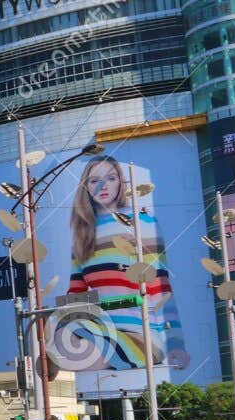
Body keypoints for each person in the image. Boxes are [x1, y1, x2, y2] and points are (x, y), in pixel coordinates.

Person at [64, 155, 188, 372]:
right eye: (94, 181)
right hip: (100, 330)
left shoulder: (143, 223)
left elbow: (161, 287)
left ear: (120, 182)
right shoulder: (82, 234)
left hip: (141, 334)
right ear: (86, 188)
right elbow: (75, 296)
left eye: (110, 178)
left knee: (84, 357)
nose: (103, 186)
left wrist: (176, 343)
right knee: (62, 332)